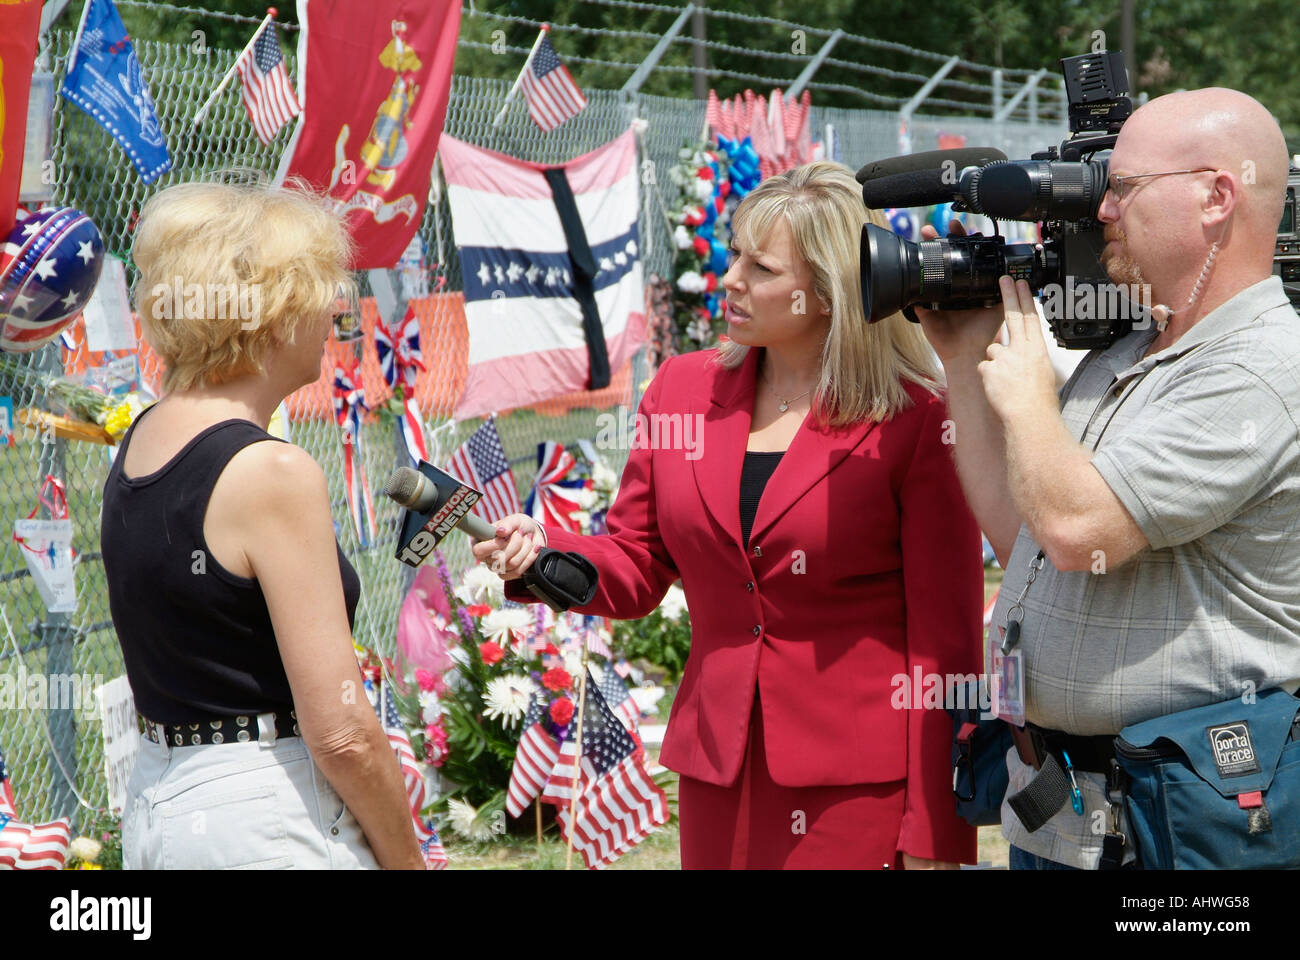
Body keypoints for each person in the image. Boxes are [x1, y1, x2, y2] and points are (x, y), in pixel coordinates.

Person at [475, 161, 984, 869]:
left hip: (859, 794)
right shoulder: (680, 391)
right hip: (716, 771)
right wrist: (544, 552)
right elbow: (637, 562)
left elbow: (947, 647)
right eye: (734, 251)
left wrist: (935, 831)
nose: (730, 277)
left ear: (830, 293)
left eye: (761, 266)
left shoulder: (919, 421)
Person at [916, 87, 1300, 869]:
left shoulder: (1262, 371)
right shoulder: (1128, 353)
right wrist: (964, 361)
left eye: (1121, 188)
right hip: (1063, 816)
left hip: (1184, 832)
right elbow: (1027, 536)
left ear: (1216, 197)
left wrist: (1028, 402)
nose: (1100, 213)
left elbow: (1077, 530)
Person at [101, 178, 424, 870]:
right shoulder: (270, 472)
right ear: (274, 317)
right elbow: (341, 733)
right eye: (319, 296)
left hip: (164, 795)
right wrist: (407, 861)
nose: (335, 312)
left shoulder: (141, 439)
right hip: (265, 812)